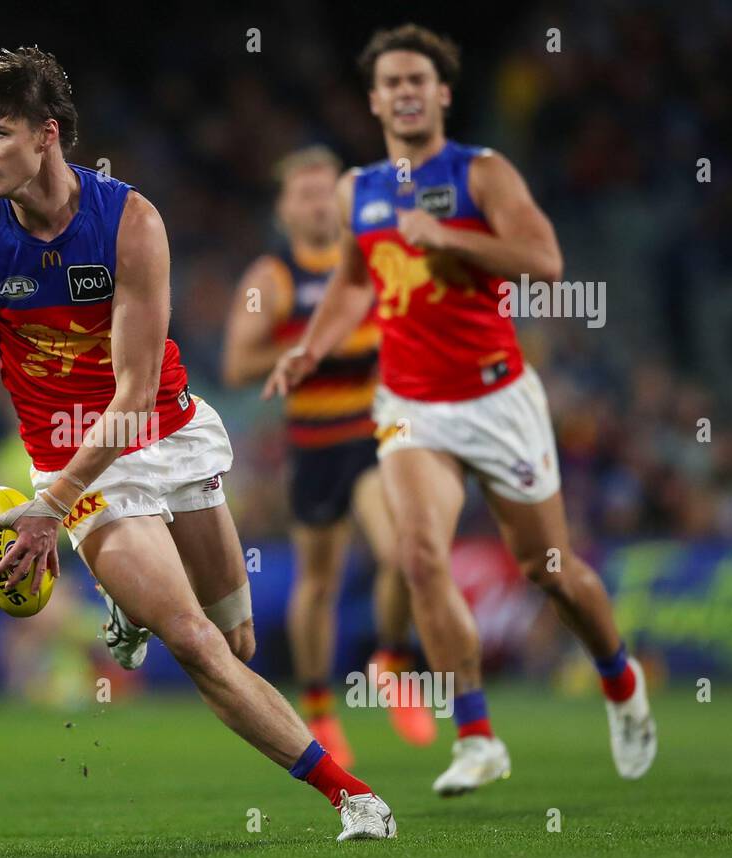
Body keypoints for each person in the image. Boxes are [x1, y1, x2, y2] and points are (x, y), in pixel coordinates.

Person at [0, 47, 395, 840]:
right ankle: (352, 797)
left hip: (164, 432)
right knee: (193, 642)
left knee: (238, 639)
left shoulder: (130, 223)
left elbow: (135, 395)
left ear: (47, 136)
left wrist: (46, 509)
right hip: (78, 467)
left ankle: (125, 594)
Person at [265, 24, 656, 795]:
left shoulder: (482, 174)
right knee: (418, 557)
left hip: (497, 397)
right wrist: (312, 346)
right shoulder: (359, 189)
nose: (406, 92)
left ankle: (620, 679)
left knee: (550, 572)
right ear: (374, 100)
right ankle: (476, 736)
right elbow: (353, 280)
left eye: (420, 80)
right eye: (392, 82)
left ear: (442, 94)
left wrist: (448, 238)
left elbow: (545, 261)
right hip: (412, 404)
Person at [225, 145, 431, 766]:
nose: (319, 203)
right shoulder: (275, 277)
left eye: (327, 191)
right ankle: (319, 708)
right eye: (306, 194)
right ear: (285, 209)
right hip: (315, 445)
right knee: (320, 582)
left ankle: (391, 659)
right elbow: (238, 363)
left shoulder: (372, 256)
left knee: (404, 552)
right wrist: (313, 354)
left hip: (376, 435)